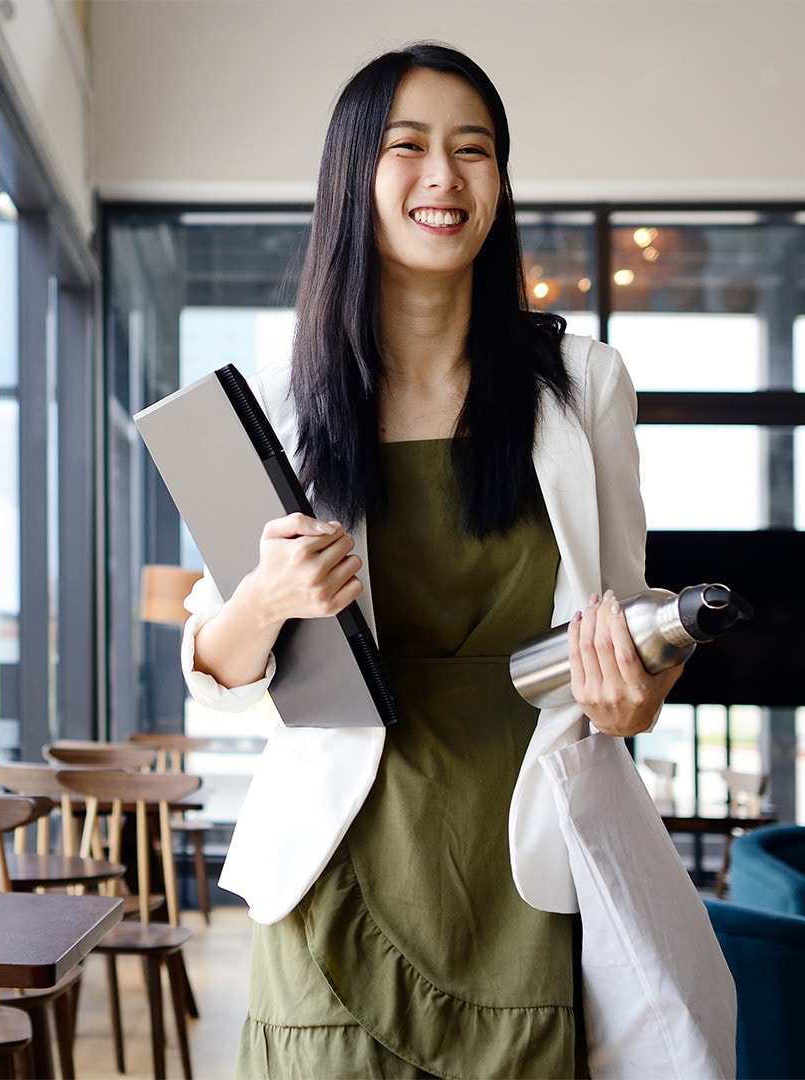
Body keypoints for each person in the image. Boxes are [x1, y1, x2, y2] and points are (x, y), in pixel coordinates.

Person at [178, 43, 694, 1078]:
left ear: (499, 182)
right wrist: (268, 599)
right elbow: (219, 672)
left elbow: (630, 624)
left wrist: (637, 698)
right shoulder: (276, 402)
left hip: (524, 871)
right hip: (335, 873)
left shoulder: (584, 385)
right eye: (406, 147)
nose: (444, 177)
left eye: (474, 149)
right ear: (352, 176)